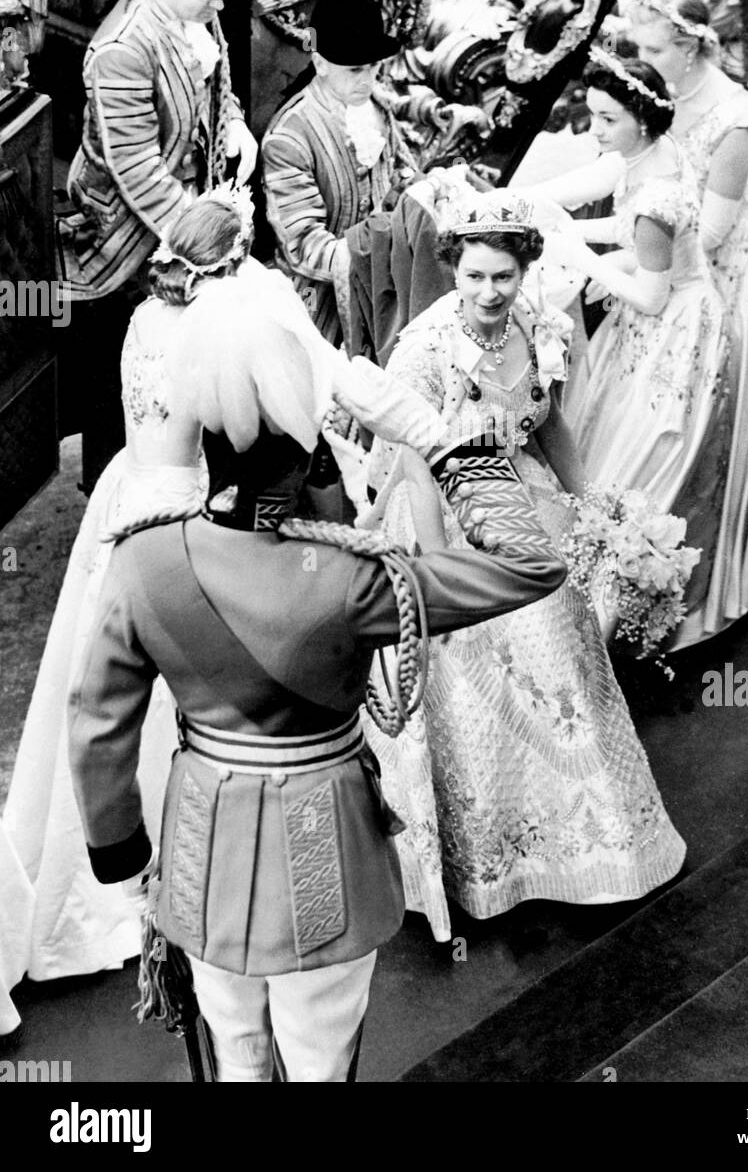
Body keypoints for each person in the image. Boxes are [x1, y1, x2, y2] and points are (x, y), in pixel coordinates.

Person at [67, 324, 572, 1078]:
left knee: (234, 1055)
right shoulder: (357, 578)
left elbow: (95, 722)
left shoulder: (142, 558)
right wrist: (441, 444)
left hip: (201, 849)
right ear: (307, 457)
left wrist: (125, 854)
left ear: (209, 443)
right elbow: (535, 564)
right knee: (320, 1061)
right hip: (324, 848)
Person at [3, 188, 456, 1017]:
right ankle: (244, 879)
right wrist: (438, 437)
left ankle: (122, 868)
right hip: (200, 523)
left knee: (100, 695)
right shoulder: (248, 316)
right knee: (234, 694)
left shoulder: (146, 316)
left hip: (126, 502)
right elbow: (343, 384)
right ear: (241, 254)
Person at [360, 193, 686, 942]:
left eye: (503, 275)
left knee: (567, 667)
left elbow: (553, 422)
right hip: (445, 509)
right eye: (473, 276)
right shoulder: (427, 346)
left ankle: (592, 850)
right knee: (477, 691)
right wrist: (442, 574)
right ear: (453, 271)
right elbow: (411, 462)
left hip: (527, 506)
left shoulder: (540, 325)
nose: (488, 292)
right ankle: (493, 866)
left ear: (524, 269)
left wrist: (594, 506)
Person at [530, 53, 731, 644]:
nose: (595, 131)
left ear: (641, 120)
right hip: (671, 314)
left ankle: (606, 618)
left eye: (606, 119)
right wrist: (557, 224)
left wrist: (579, 252)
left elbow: (648, 292)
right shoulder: (651, 157)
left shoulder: (655, 197)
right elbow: (630, 237)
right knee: (611, 441)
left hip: (672, 330)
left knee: (640, 452)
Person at [58, 0, 259, 490]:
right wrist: (207, 243)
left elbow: (215, 85)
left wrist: (234, 124)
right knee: (122, 377)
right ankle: (114, 497)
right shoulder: (121, 48)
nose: (221, 4)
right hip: (119, 238)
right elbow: (137, 169)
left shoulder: (198, 11)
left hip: (186, 204)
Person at [629, 0, 748, 643]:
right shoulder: (658, 93)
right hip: (674, 251)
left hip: (733, 270)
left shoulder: (733, 114)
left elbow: (715, 230)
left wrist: (639, 258)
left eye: (651, 48)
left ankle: (718, 569)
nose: (639, 57)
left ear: (691, 48)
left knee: (720, 411)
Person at [262, 0, 420, 348]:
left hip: (383, 286)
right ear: (320, 64)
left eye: (374, 67)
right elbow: (301, 243)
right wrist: (380, 256)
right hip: (317, 300)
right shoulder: (289, 137)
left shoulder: (377, 109)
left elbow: (400, 176)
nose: (367, 80)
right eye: (355, 70)